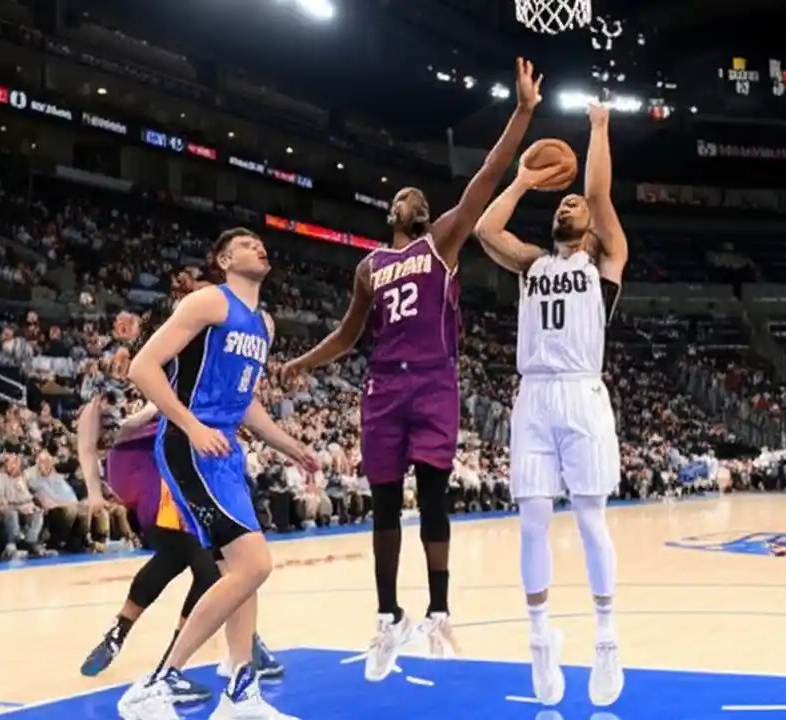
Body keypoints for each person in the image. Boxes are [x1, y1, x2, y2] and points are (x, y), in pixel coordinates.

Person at [281, 57, 543, 680]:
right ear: (390, 214)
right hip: (383, 385)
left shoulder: (442, 241)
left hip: (432, 379)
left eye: (420, 196)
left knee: (431, 495)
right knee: (382, 503)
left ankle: (439, 612)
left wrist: (523, 111)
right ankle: (387, 616)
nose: (415, 199)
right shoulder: (368, 267)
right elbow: (348, 335)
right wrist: (302, 361)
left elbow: (486, 176)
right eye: (405, 197)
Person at [117, 228, 316, 720]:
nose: (258, 247)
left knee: (240, 572)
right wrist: (191, 424)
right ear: (224, 259)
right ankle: (157, 683)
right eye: (245, 244)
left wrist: (289, 445)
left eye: (260, 243)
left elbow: (243, 402)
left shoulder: (263, 324)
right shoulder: (208, 301)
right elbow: (143, 367)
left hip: (224, 450)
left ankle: (241, 693)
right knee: (254, 565)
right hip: (188, 444)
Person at [471, 102, 626, 707]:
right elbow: (486, 231)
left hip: (583, 392)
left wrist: (599, 128)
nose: (568, 205)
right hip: (533, 396)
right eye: (561, 203)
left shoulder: (604, 262)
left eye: (574, 204)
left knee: (590, 520)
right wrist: (523, 179)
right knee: (532, 521)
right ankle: (540, 640)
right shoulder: (532, 263)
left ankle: (606, 639)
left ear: (590, 225)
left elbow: (599, 193)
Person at [75, 395, 282, 695]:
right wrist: (94, 491)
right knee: (214, 564)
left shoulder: (169, 377)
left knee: (182, 555)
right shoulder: (109, 392)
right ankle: (172, 667)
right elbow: (90, 441)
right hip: (148, 472)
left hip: (177, 465)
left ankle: (121, 630)